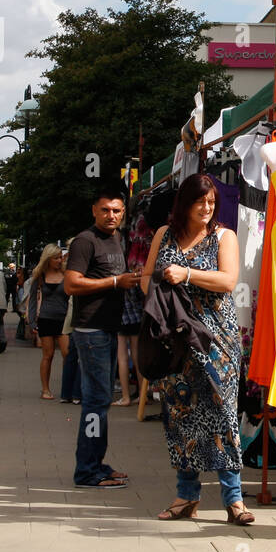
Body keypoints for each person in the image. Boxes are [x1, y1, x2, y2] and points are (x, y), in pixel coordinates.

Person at [140, 174, 252, 524]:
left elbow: (228, 280)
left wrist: (185, 274)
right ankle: (186, 496)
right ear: (184, 203)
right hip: (176, 340)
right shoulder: (164, 235)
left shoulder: (224, 236)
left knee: (224, 416)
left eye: (211, 202)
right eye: (200, 201)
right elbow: (146, 277)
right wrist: (159, 294)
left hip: (217, 338)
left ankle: (234, 501)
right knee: (180, 416)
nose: (207, 208)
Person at [64, 184, 141, 488]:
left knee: (101, 401)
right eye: (106, 210)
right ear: (94, 210)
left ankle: (97, 463)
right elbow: (71, 285)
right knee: (96, 403)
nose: (111, 215)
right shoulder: (85, 241)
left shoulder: (117, 238)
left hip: (109, 328)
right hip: (91, 330)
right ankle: (87, 471)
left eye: (117, 210)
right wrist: (114, 282)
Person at [28, 244, 70, 401]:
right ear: (48, 259)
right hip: (46, 319)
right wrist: (31, 322)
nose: (60, 260)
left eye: (61, 257)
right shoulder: (40, 276)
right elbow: (32, 299)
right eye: (56, 258)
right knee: (48, 355)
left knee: (68, 354)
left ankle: (67, 388)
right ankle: (45, 389)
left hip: (64, 320)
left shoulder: (66, 274)